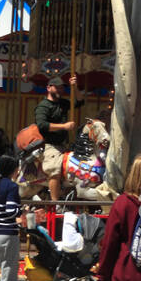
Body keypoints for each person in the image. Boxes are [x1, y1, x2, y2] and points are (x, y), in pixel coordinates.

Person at [33, 74, 81, 204]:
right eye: (57, 88)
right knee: (55, 170)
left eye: (62, 88)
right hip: (50, 145)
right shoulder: (43, 106)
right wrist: (64, 126)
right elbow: (42, 125)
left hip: (64, 145)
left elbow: (79, 101)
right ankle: (55, 204)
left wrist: (75, 87)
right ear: (49, 88)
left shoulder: (63, 103)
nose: (60, 90)